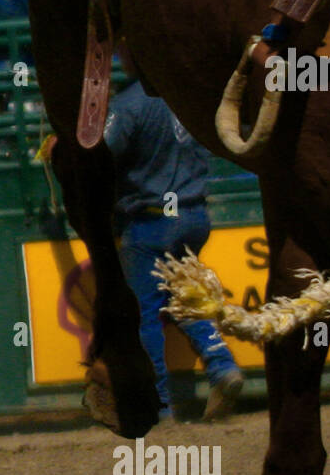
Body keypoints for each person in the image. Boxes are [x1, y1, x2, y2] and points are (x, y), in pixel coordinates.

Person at [103, 56, 244, 423]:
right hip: (194, 213)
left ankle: (159, 402)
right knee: (183, 297)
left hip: (151, 221)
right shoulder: (190, 98)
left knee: (146, 314)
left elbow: (103, 154)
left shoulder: (129, 104)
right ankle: (219, 364)